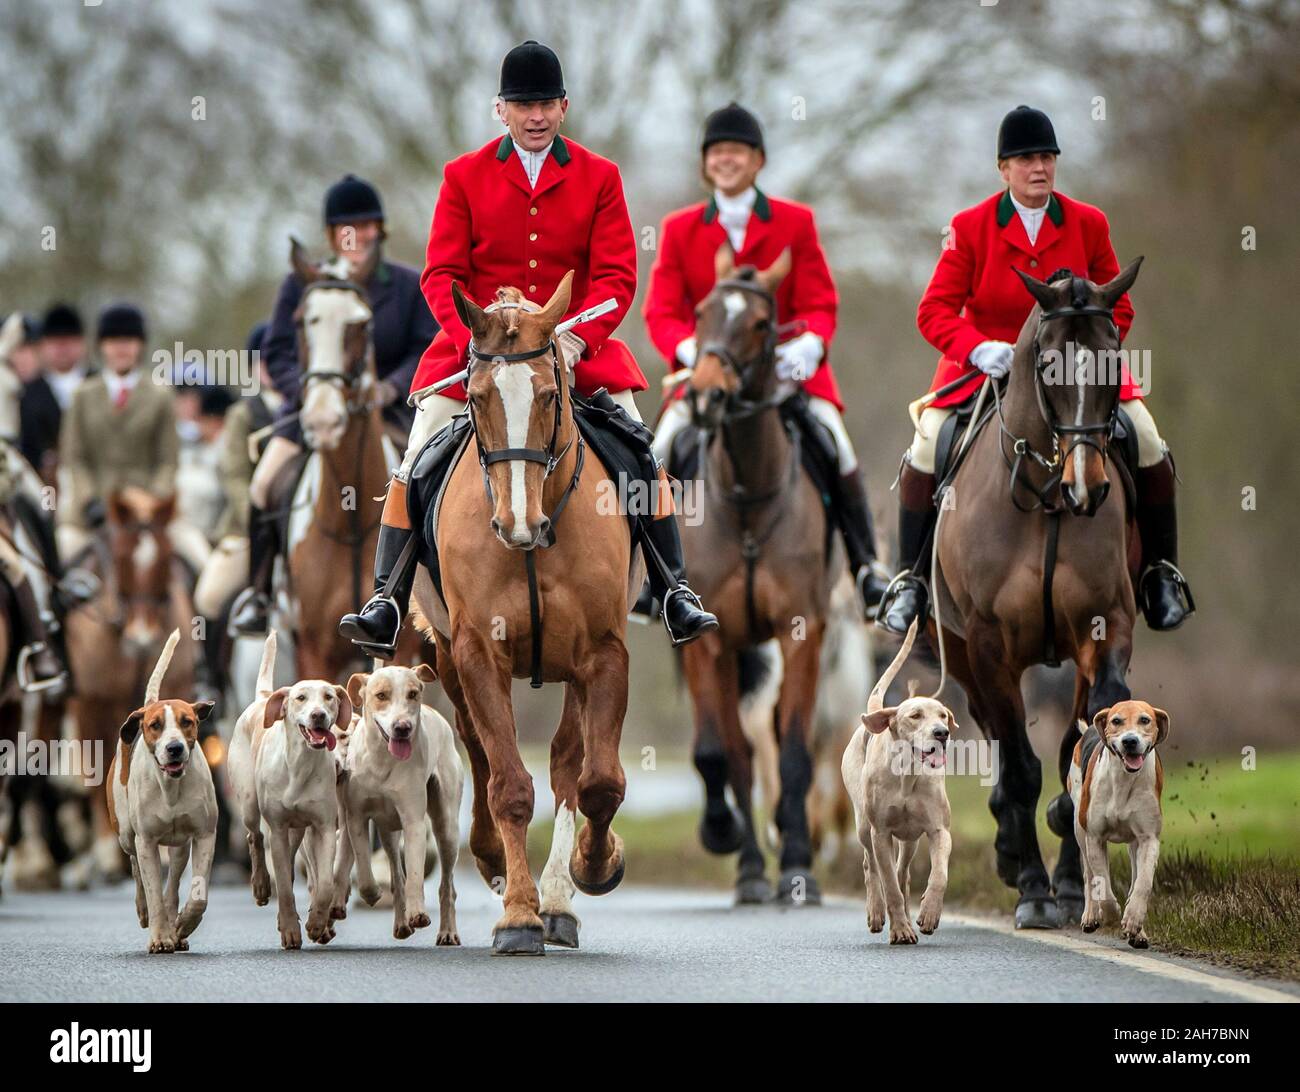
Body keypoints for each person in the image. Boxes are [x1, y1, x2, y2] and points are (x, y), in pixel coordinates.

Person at [338, 40, 717, 656]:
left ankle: (674, 590)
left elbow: (619, 277)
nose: (534, 116)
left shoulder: (601, 176)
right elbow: (441, 275)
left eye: (545, 104)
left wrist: (574, 337)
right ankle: (386, 596)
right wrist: (476, 344)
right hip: (480, 358)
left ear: (563, 107)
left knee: (645, 456)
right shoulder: (463, 176)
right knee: (413, 458)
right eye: (522, 105)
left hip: (575, 353)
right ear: (501, 110)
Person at [876, 105, 1193, 635]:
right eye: (1026, 159)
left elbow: (1120, 305)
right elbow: (932, 311)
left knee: (1148, 438)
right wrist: (978, 348)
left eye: (1047, 157)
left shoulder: (1089, 223)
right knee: (928, 445)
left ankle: (1160, 572)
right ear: (1004, 169)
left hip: (1078, 373)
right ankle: (910, 580)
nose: (1038, 168)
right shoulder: (968, 227)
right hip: (986, 369)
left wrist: (1087, 358)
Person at [643, 101, 891, 616]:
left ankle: (866, 568)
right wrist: (690, 350)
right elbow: (661, 311)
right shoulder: (680, 228)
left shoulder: (795, 222)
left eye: (737, 151)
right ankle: (653, 579)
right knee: (655, 455)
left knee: (836, 446)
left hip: (784, 379)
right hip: (707, 378)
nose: (726, 159)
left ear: (758, 160)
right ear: (705, 163)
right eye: (717, 152)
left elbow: (821, 301)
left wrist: (809, 347)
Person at [228, 175, 437, 635]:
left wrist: (390, 387)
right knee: (263, 484)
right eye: (346, 229)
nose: (356, 237)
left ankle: (437, 590)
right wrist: (312, 394)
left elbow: (427, 345)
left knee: (433, 482)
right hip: (312, 411)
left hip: (392, 413)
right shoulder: (301, 284)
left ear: (379, 231)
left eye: (366, 228)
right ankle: (259, 595)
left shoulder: (406, 284)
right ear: (330, 236)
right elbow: (278, 352)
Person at [56, 303, 211, 582]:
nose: (121, 348)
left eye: (128, 341)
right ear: (102, 346)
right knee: (54, 561)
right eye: (114, 341)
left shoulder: (161, 396)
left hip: (150, 511)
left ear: (140, 345)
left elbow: (168, 461)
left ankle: (207, 625)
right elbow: (74, 458)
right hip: (93, 513)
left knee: (202, 563)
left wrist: (151, 501)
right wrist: (90, 499)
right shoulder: (82, 396)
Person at [21, 303, 90, 488]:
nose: (62, 347)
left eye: (69, 340)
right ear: (42, 345)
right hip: (43, 489)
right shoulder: (25, 393)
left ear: (82, 343)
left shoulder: (100, 385)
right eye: (55, 341)